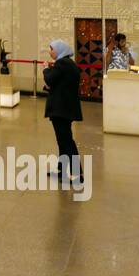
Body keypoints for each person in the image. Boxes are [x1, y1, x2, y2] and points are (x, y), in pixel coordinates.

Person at [43, 39, 83, 184]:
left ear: (59, 50)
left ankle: (77, 175)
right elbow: (62, 84)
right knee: (63, 141)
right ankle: (62, 169)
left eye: (52, 49)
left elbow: (50, 79)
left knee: (66, 141)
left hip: (61, 109)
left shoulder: (61, 64)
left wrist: (46, 69)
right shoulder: (69, 64)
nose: (50, 51)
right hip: (65, 108)